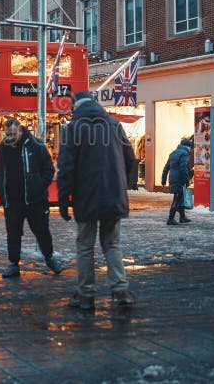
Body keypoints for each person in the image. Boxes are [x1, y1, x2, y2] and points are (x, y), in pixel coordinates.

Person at [57, 91, 136, 310]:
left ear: (74, 107)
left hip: (86, 196)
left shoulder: (72, 129)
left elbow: (66, 168)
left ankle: (85, 294)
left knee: (85, 246)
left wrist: (64, 198)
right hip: (113, 195)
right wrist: (121, 184)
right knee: (111, 244)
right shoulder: (114, 125)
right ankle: (121, 291)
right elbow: (130, 158)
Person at [0, 118, 62, 278]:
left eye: (13, 134)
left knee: (42, 231)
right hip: (12, 201)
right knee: (13, 233)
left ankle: (49, 258)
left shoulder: (36, 145)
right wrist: (1, 195)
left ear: (20, 130)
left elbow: (48, 168)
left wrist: (39, 185)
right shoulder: (3, 148)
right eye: (7, 134)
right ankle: (13, 264)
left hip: (35, 200)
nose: (10, 137)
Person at [161, 138, 193, 226]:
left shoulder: (173, 153)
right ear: (187, 146)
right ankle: (170, 218)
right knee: (177, 198)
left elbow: (166, 167)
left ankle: (182, 217)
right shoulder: (184, 154)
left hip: (173, 178)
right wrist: (186, 180)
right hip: (179, 179)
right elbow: (184, 169)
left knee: (180, 197)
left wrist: (163, 179)